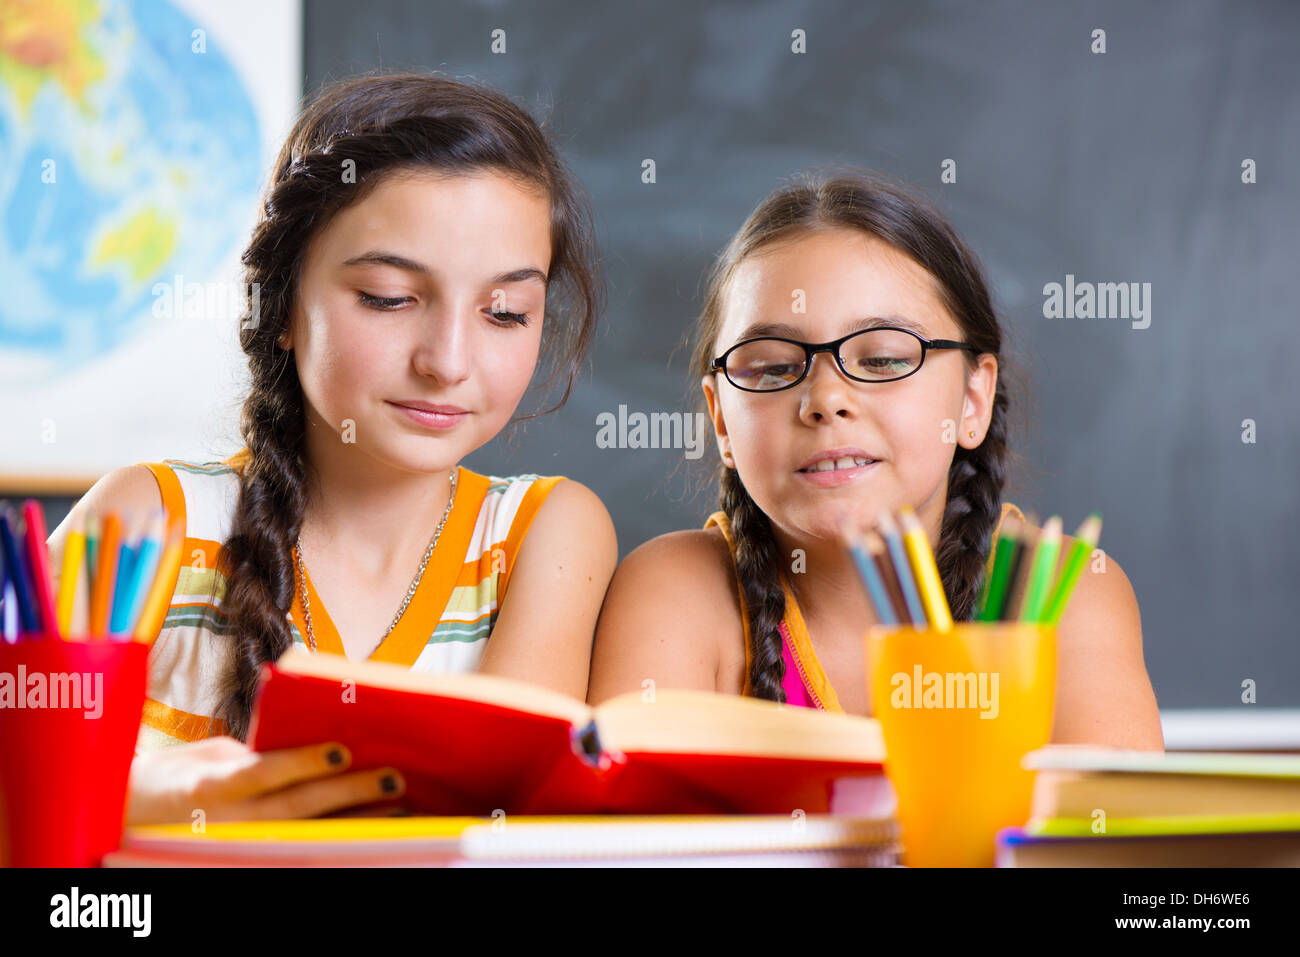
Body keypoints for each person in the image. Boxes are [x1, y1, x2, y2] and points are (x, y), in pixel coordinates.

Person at [46, 71, 617, 824]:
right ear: (282, 303)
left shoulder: (546, 534)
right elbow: (20, 797)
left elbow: (491, 816)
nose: (448, 361)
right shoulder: (147, 524)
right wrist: (149, 800)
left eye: (505, 312)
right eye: (388, 297)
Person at [589, 169, 1162, 751]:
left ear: (973, 398)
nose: (826, 400)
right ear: (720, 421)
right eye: (771, 367)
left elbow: (1108, 837)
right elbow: (637, 839)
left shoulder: (1065, 598)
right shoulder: (673, 594)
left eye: (885, 359)